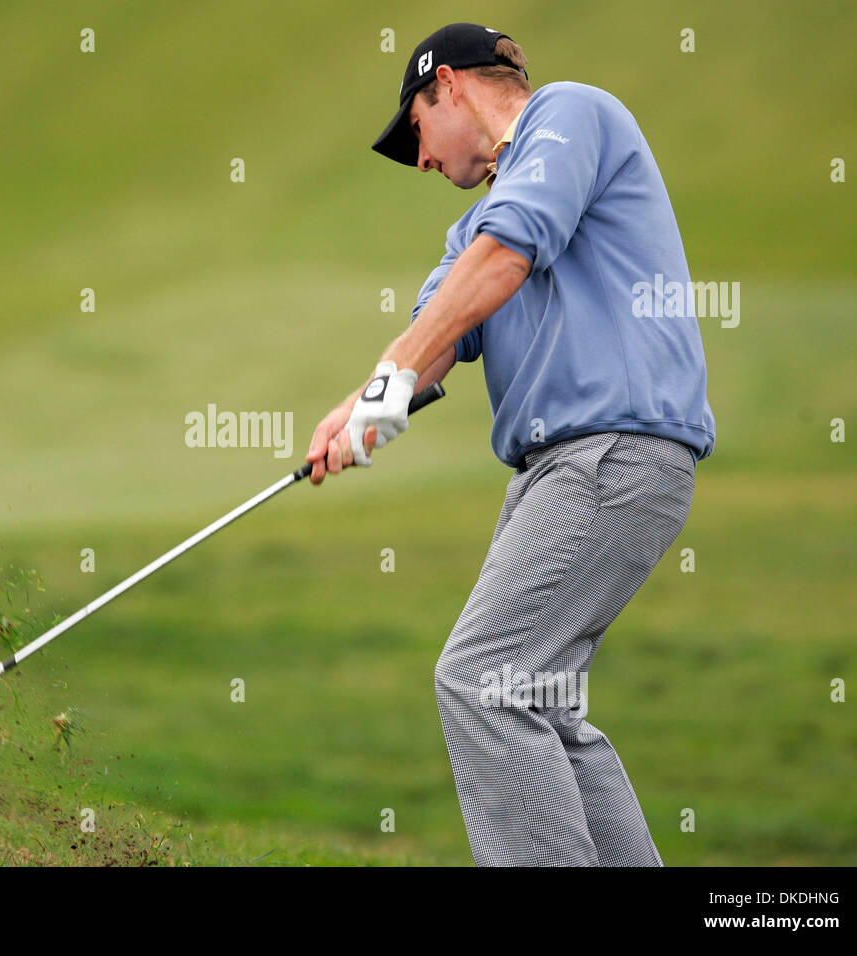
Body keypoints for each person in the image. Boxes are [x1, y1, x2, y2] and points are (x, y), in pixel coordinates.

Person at [304, 22, 715, 866]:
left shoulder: (571, 115)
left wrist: (387, 381)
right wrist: (360, 412)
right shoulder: (478, 224)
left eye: (413, 131)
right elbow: (441, 330)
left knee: (483, 681)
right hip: (562, 472)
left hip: (611, 453)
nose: (418, 161)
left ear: (448, 87)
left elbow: (508, 255)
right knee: (541, 702)